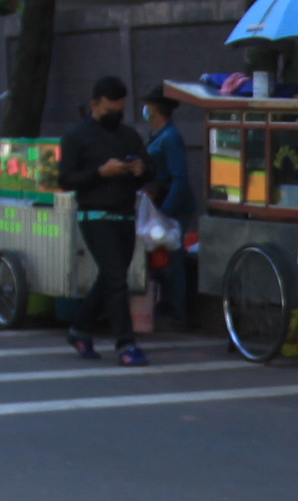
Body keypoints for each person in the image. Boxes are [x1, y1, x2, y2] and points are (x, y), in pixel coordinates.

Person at [58, 77, 151, 364]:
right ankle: (125, 344)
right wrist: (100, 173)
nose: (115, 116)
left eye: (120, 110)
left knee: (112, 278)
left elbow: (150, 172)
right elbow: (65, 180)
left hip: (125, 214)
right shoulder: (76, 137)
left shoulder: (129, 136)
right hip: (95, 215)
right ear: (95, 105)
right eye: (110, 110)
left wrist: (139, 169)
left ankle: (80, 328)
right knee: (115, 278)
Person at [139, 89, 200, 335]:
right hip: (158, 206)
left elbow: (180, 178)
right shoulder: (156, 135)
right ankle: (164, 308)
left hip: (172, 208)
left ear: (153, 109)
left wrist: (166, 212)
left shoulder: (170, 137)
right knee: (161, 259)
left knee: (173, 259)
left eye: (147, 105)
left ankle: (177, 314)